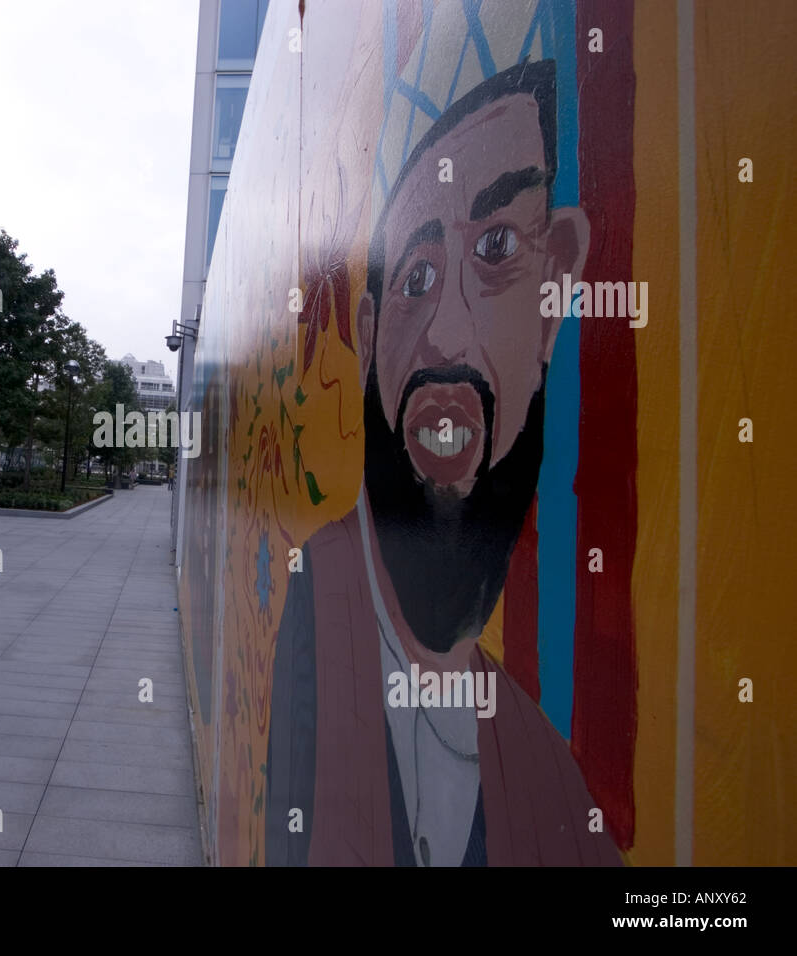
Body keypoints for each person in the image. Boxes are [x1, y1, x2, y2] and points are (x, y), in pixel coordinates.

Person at [264, 60, 621, 866]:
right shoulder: (316, 593)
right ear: (366, 334)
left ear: (556, 289)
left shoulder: (547, 780)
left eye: (497, 249)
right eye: (416, 278)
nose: (448, 337)